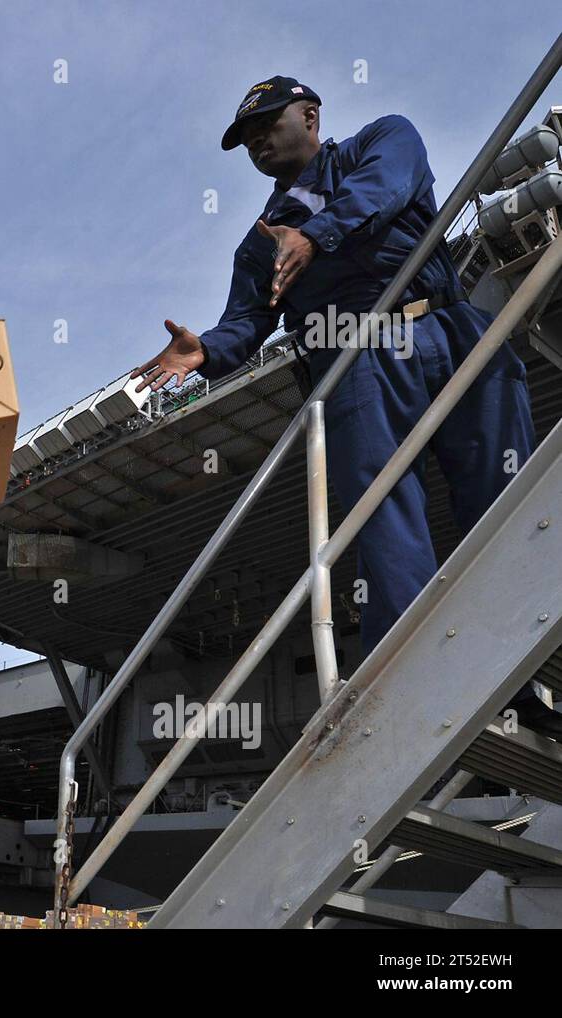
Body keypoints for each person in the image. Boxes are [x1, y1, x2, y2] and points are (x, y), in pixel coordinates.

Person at [129, 77, 557, 732]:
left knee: (505, 496)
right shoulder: (260, 242)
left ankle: (526, 672)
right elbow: (245, 324)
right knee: (383, 515)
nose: (258, 142)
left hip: (447, 327)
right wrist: (206, 353)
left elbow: (384, 190)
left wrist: (317, 234)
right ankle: (412, 675)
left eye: (268, 124)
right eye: (247, 140)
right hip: (355, 361)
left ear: (310, 114)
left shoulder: (385, 139)